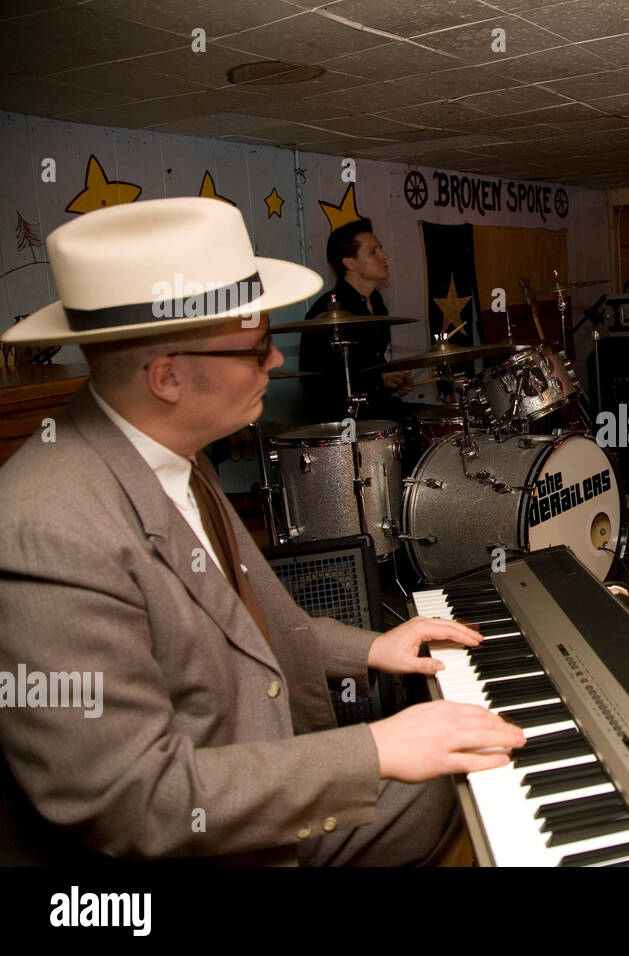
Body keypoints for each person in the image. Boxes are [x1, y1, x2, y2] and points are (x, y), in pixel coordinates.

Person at [0, 197, 524, 864]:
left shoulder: (176, 451)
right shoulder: (47, 529)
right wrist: (374, 749)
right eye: (255, 349)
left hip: (254, 785)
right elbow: (134, 803)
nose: (276, 362)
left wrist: (371, 648)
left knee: (485, 764)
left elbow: (248, 627)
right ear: (167, 377)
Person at [299, 217, 414, 422]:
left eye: (381, 249)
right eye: (373, 252)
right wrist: (378, 381)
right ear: (349, 262)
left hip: (377, 410)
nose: (384, 256)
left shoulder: (378, 305)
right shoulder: (327, 312)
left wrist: (393, 381)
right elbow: (316, 383)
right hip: (342, 421)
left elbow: (371, 367)